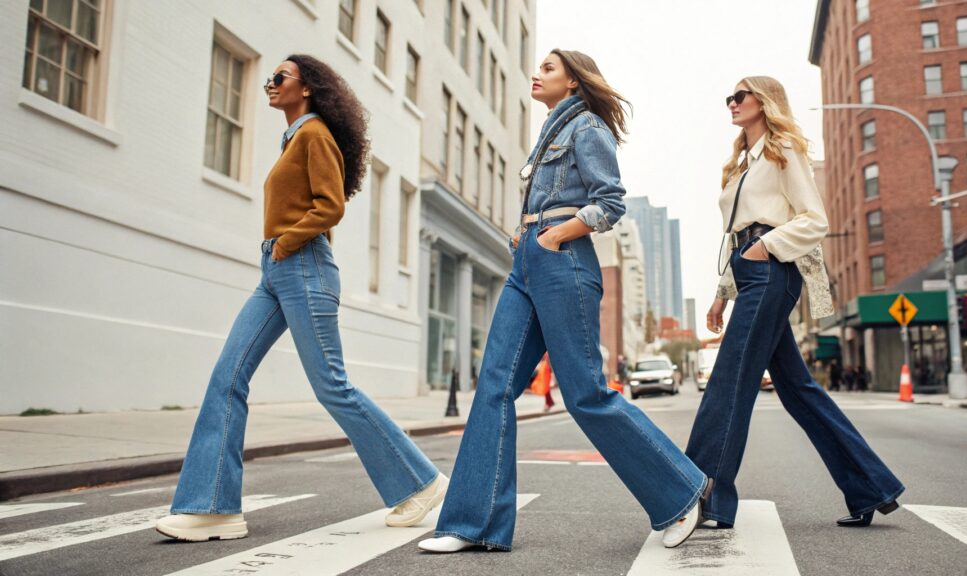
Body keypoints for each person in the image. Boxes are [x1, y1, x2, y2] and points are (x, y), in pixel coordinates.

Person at [418, 49, 710, 553]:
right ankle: (473, 523)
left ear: (574, 82)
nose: (538, 74)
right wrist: (524, 236)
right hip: (527, 264)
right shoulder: (549, 133)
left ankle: (681, 491)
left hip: (565, 260)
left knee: (585, 392)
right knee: (494, 386)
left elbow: (610, 200)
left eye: (549, 68)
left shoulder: (587, 128)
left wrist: (555, 236)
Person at [155, 55, 445, 541]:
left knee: (332, 385)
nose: (270, 83)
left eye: (279, 77)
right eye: (270, 77)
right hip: (277, 270)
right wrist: (277, 252)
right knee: (228, 378)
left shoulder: (313, 134)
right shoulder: (291, 137)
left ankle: (421, 482)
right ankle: (213, 508)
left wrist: (287, 242)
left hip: (302, 265)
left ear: (306, 88)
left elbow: (330, 206)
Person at [690, 76, 905, 529]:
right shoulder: (740, 163)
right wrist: (720, 294)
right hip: (748, 272)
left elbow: (814, 220)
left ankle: (703, 494)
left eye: (741, 95)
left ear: (764, 101)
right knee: (798, 389)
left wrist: (768, 246)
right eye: (729, 96)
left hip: (771, 269)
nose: (732, 102)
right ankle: (870, 486)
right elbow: (736, 232)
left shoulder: (781, 149)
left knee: (729, 378)